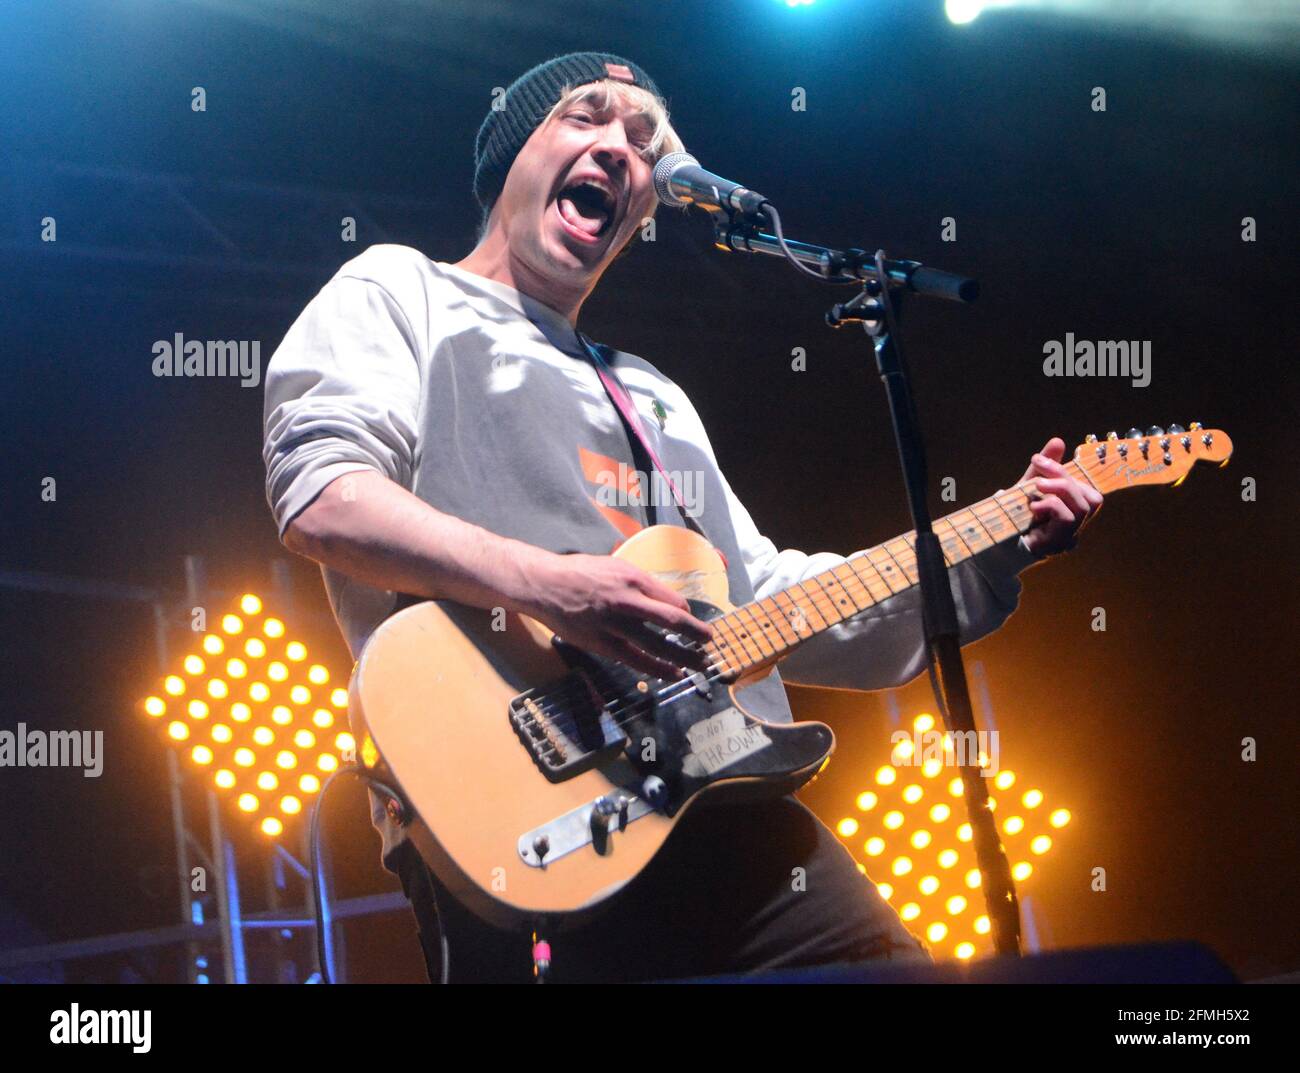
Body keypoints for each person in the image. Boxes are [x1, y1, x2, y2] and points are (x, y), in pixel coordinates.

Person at [262, 51, 1102, 983]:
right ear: (511, 156)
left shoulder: (651, 396)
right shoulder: (399, 290)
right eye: (587, 118)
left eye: (646, 141)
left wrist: (991, 549)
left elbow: (766, 597)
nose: (621, 149)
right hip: (517, 809)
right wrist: (552, 585)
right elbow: (324, 493)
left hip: (722, 801)